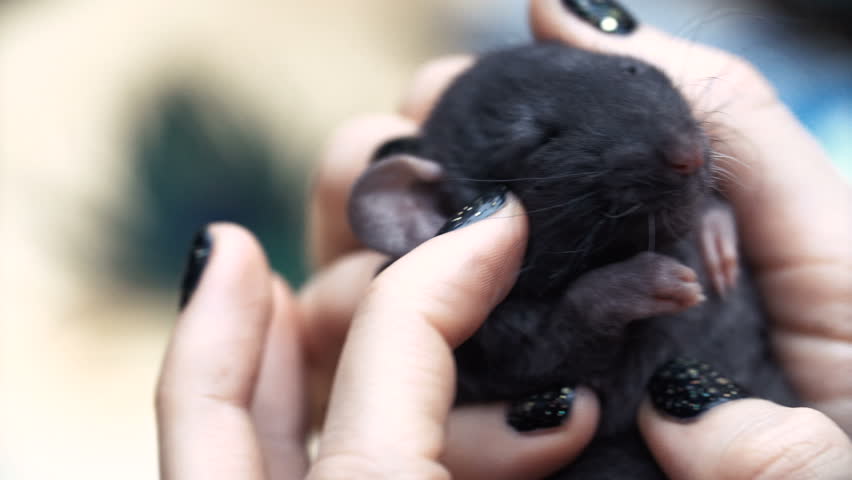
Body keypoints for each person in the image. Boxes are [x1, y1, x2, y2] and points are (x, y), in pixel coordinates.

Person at [155, 0, 852, 478]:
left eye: (633, 72)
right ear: (428, 208)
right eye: (543, 142)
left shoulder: (718, 198)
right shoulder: (481, 287)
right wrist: (591, 308)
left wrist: (714, 209)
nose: (679, 150)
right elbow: (522, 356)